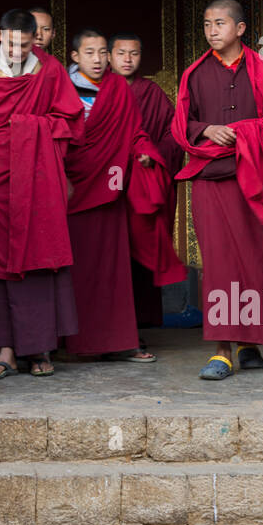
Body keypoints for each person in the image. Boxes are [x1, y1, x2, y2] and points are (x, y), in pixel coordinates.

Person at [171, 0, 263, 382]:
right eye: (207, 23)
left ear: (240, 29)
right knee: (220, 263)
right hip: (211, 178)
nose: (212, 30)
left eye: (220, 23)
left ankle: (250, 343)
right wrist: (207, 130)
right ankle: (222, 349)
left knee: (256, 259)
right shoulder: (194, 74)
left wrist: (245, 132)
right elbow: (182, 124)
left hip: (253, 178)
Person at [0, 9, 84, 380]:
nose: (17, 51)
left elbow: (70, 120)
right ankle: (5, 351)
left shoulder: (49, 70)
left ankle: (40, 348)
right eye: (10, 43)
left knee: (38, 256)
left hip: (35, 175)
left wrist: (28, 127)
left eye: (25, 44)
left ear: (36, 40)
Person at [65, 30, 184, 362]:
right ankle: (71, 342)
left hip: (112, 191)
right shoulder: (61, 87)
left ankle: (120, 340)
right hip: (74, 190)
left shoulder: (118, 89)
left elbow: (136, 132)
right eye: (91, 52)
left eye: (103, 53)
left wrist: (147, 152)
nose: (99, 59)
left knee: (113, 271)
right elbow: (53, 132)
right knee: (76, 269)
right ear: (75, 56)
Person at [109, 32, 184, 331]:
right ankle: (112, 324)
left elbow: (173, 135)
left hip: (142, 180)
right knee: (111, 250)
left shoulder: (151, 92)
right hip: (109, 183)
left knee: (142, 247)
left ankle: (141, 321)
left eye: (134, 53)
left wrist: (153, 155)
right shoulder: (97, 90)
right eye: (121, 53)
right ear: (109, 56)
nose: (127, 59)